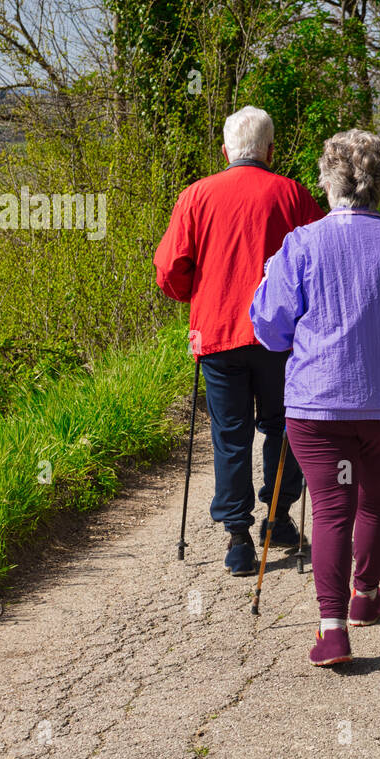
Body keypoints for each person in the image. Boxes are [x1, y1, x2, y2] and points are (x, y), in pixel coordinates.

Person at [250, 129, 380, 666]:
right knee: (375, 497)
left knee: (330, 508)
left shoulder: (299, 245)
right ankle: (366, 597)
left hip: (318, 408)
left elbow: (271, 333)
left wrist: (265, 290)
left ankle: (332, 630)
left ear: (326, 183)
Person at [154, 106, 325, 576]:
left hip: (218, 333)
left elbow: (170, 270)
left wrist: (195, 293)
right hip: (280, 337)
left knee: (230, 435)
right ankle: (279, 517)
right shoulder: (292, 194)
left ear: (225, 150)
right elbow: (319, 260)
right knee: (284, 425)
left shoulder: (195, 196)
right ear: (271, 150)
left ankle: (238, 538)